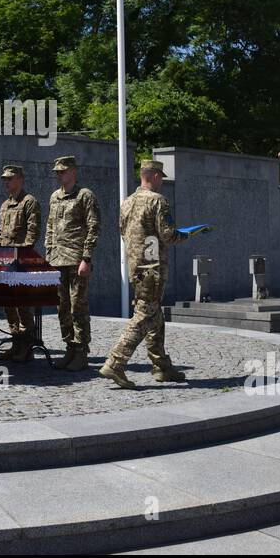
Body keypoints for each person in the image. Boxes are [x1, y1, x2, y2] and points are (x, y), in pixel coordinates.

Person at [101, 160, 192, 388]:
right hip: (153, 268)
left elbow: (124, 232)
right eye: (160, 177)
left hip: (136, 266)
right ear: (154, 176)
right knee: (144, 314)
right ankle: (115, 362)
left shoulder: (127, 202)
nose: (161, 181)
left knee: (155, 315)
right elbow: (168, 235)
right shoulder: (158, 201)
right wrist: (188, 235)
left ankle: (161, 366)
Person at [45, 155, 101, 371]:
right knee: (62, 306)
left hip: (77, 259)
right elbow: (50, 228)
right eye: (57, 172)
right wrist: (48, 255)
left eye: (63, 171)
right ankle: (69, 346)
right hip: (58, 259)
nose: (59, 175)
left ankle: (81, 351)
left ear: (73, 172)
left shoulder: (84, 196)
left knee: (78, 305)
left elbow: (93, 227)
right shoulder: (55, 197)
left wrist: (86, 258)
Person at [0, 165, 41, 362]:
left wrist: (22, 252)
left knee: (22, 305)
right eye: (4, 179)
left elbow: (33, 232)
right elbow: (0, 233)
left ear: (20, 179)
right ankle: (16, 342)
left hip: (21, 261)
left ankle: (27, 346)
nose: (6, 182)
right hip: (5, 261)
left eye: (10, 179)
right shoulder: (5, 204)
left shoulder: (29, 202)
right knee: (8, 304)